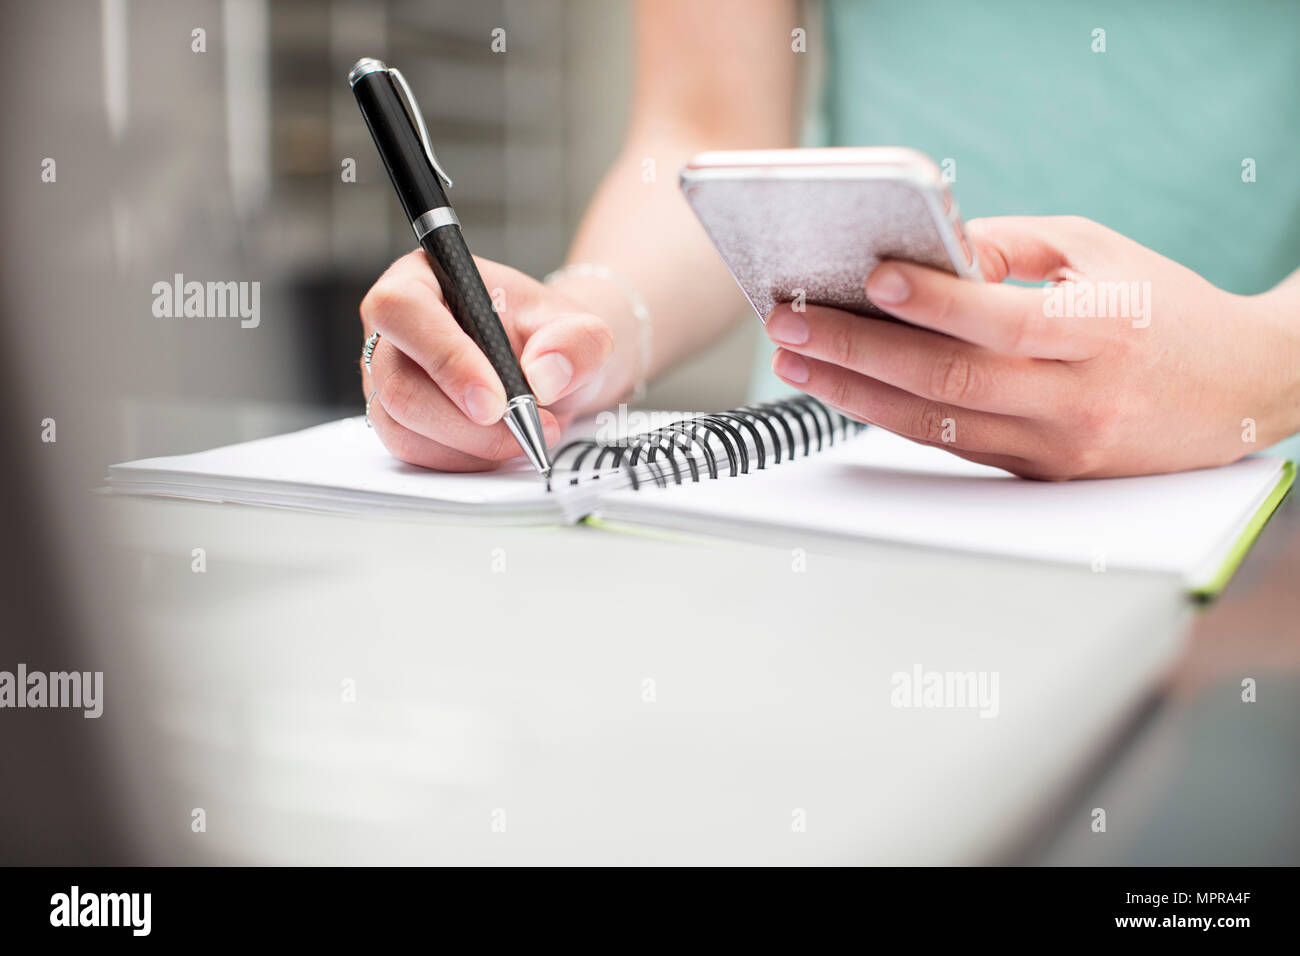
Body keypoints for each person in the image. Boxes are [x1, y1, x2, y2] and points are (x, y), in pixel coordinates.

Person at [357, 0, 1300, 479]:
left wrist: (1266, 365)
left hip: (1254, 474)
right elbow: (705, 126)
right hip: (829, 456)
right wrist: (576, 330)